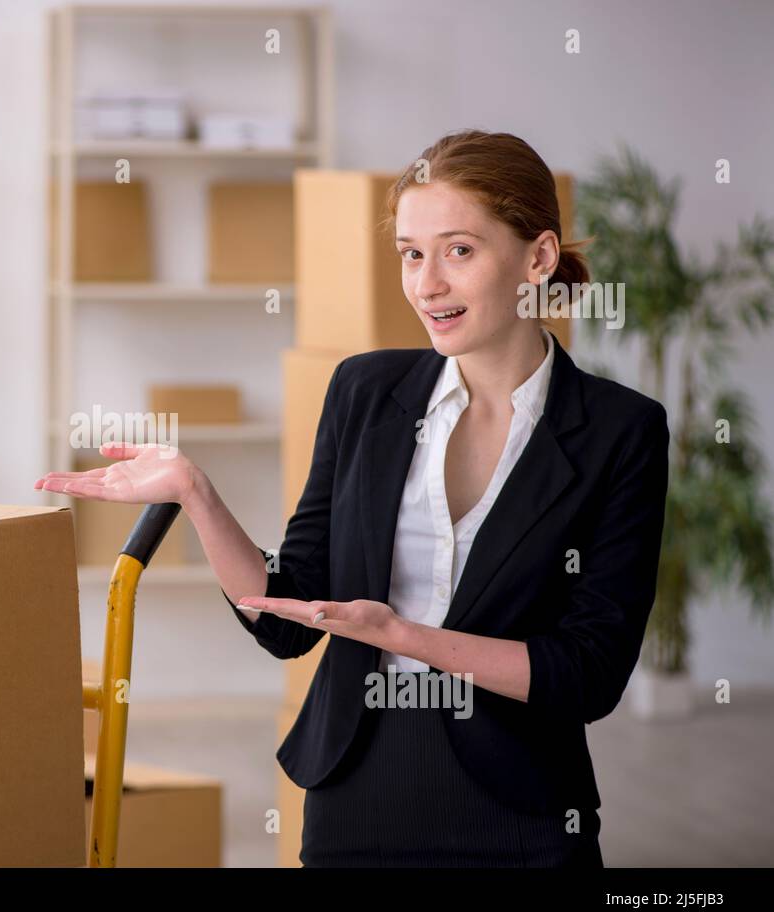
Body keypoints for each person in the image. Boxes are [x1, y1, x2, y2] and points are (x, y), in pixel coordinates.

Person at [34, 130, 669, 868]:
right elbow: (289, 615)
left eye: (458, 250)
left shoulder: (620, 432)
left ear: (538, 257)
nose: (427, 284)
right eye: (410, 252)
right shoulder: (364, 392)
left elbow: (587, 673)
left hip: (523, 813)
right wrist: (196, 494)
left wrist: (405, 637)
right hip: (355, 794)